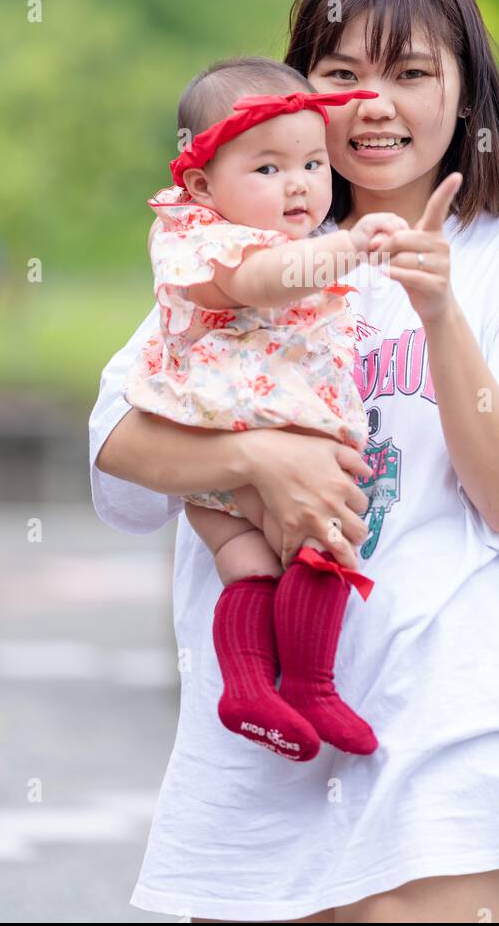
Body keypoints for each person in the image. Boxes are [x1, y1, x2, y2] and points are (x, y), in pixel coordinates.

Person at [89, 0, 499, 924]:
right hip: (258, 750)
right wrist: (253, 458)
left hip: (442, 738)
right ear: (294, 94)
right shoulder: (243, 258)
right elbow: (114, 441)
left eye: (409, 72)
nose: (372, 103)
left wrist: (440, 315)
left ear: (463, 96)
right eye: (339, 73)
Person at [123, 55, 412, 762]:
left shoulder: (296, 239)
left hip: (271, 451)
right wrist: (347, 246)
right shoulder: (204, 239)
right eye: (267, 170)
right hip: (223, 437)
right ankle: (278, 685)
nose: (299, 187)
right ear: (201, 184)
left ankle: (283, 690)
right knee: (289, 551)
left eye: (314, 165)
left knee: (279, 559)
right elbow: (262, 282)